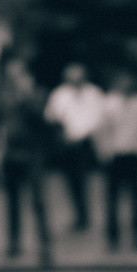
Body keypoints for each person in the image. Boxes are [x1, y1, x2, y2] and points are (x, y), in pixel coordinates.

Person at [0, 61, 55, 266]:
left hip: (33, 154)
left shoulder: (36, 95)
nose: (15, 80)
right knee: (12, 202)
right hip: (11, 154)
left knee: (38, 201)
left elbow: (42, 120)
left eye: (18, 75)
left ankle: (45, 244)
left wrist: (26, 98)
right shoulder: (4, 96)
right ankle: (14, 242)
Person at [94, 69, 137, 252]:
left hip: (135, 153)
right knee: (112, 198)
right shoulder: (109, 102)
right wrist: (104, 151)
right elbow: (102, 130)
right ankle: (113, 237)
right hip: (116, 154)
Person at [44, 62, 106, 233]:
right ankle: (79, 215)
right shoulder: (59, 95)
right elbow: (51, 117)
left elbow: (101, 117)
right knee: (72, 181)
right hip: (68, 144)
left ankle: (87, 214)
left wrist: (86, 134)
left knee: (88, 180)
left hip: (88, 142)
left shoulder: (94, 93)